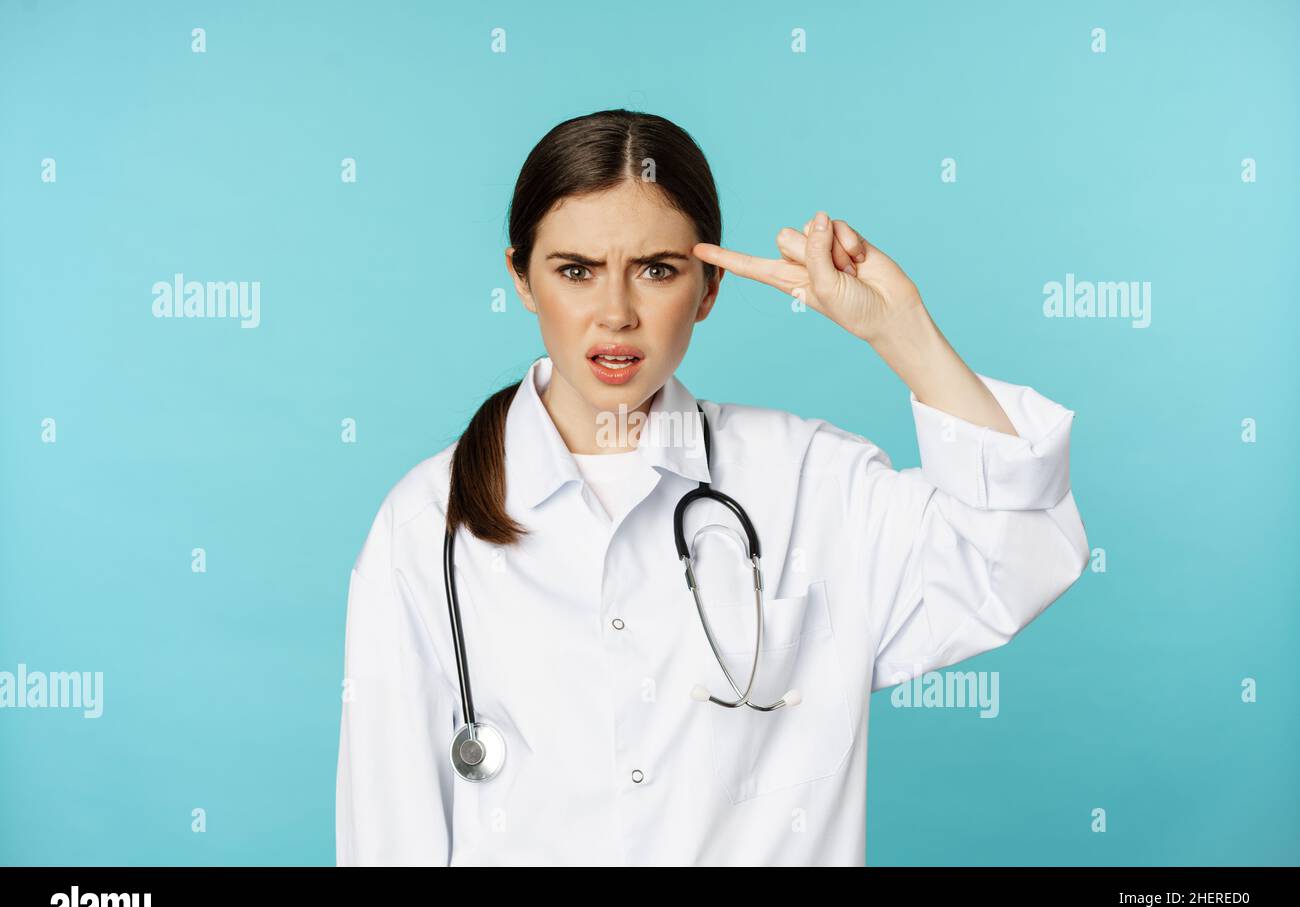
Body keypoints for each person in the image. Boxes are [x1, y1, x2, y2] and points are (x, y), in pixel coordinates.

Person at [335, 109, 1089, 866]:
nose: (616, 313)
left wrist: (903, 333)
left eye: (656, 269)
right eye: (575, 270)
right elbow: (388, 829)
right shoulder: (426, 523)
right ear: (521, 280)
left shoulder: (811, 481)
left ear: (709, 288)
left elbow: (1014, 561)